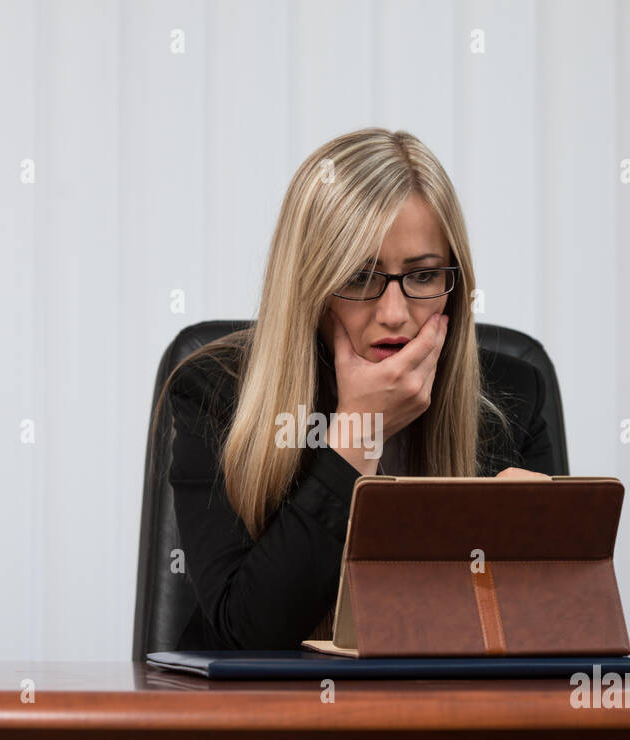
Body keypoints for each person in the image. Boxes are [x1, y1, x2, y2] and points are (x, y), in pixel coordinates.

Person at [152, 127, 556, 652]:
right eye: (361, 277)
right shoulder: (214, 392)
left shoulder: (516, 394)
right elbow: (250, 634)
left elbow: (545, 645)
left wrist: (540, 560)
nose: (395, 313)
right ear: (310, 287)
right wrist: (356, 437)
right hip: (278, 726)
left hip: (449, 720)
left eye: (425, 275)